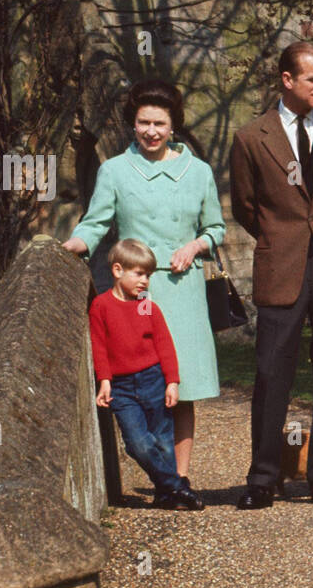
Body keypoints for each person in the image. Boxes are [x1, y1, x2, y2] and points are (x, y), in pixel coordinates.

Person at [62, 79, 226, 499]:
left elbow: (216, 229)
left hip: (183, 290)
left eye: (159, 123)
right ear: (132, 125)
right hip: (138, 296)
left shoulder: (199, 172)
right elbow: (96, 222)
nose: (151, 131)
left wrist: (194, 246)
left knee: (180, 388)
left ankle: (180, 478)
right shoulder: (115, 170)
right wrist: (73, 246)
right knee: (141, 385)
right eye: (142, 123)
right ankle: (163, 476)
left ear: (174, 126)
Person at [229, 41, 313, 509]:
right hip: (281, 265)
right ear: (287, 80)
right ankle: (264, 477)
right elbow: (247, 206)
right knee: (271, 374)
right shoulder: (251, 137)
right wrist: (282, 237)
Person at [90, 238, 201, 511]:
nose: (145, 281)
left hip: (153, 379)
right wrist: (104, 381)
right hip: (121, 387)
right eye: (139, 274)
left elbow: (164, 343)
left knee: (163, 439)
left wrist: (172, 381)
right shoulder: (101, 306)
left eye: (148, 276)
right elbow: (99, 347)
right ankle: (176, 487)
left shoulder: (144, 304)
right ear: (117, 270)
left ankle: (166, 495)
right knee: (137, 443)